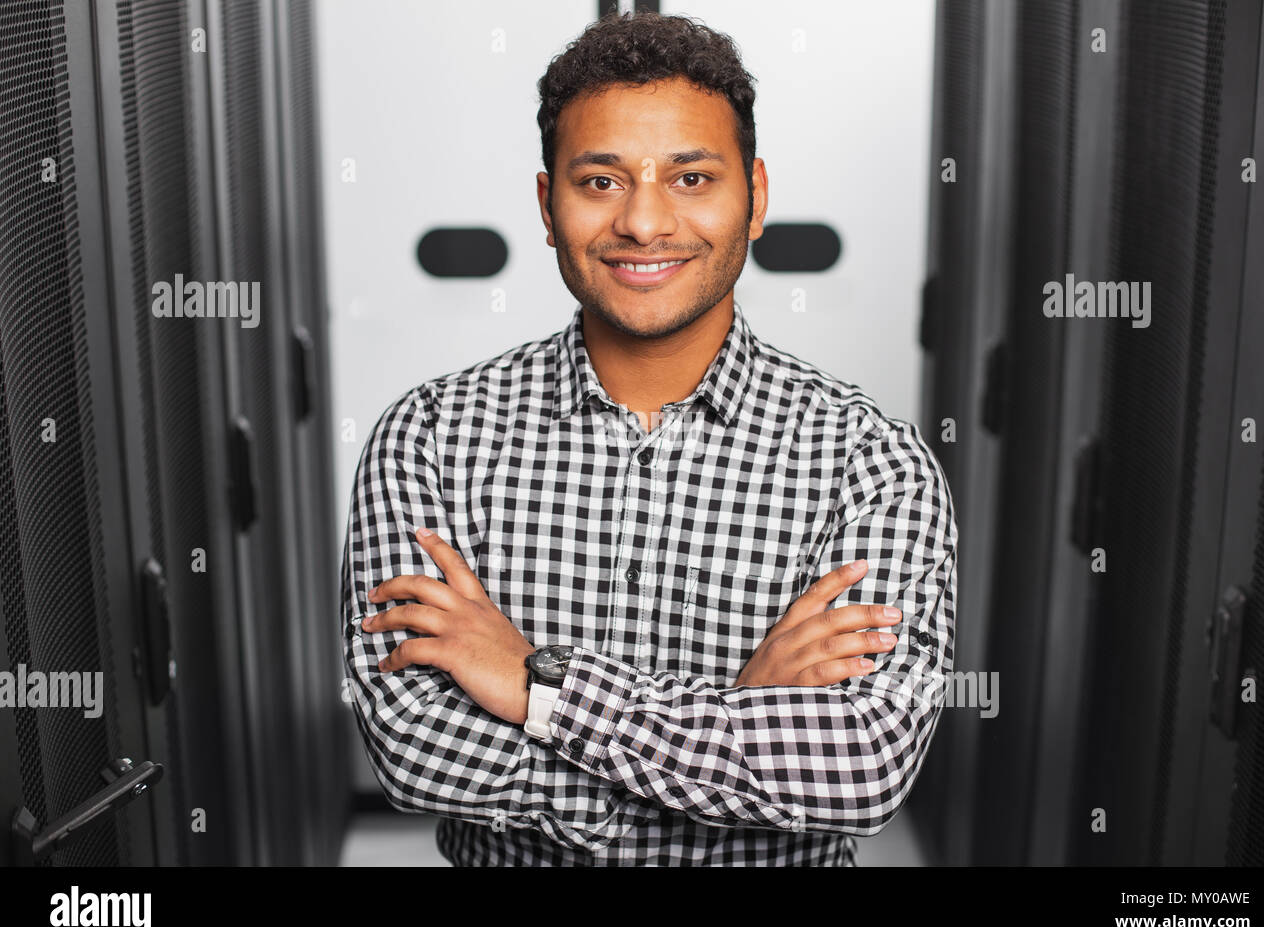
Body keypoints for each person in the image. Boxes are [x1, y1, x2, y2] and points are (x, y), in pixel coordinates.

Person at [340, 9, 957, 866]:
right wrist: (738, 720)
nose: (643, 222)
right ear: (547, 205)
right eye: (600, 181)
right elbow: (413, 752)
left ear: (757, 197)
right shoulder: (430, 438)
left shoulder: (872, 465)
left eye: (692, 178)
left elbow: (860, 770)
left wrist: (540, 692)